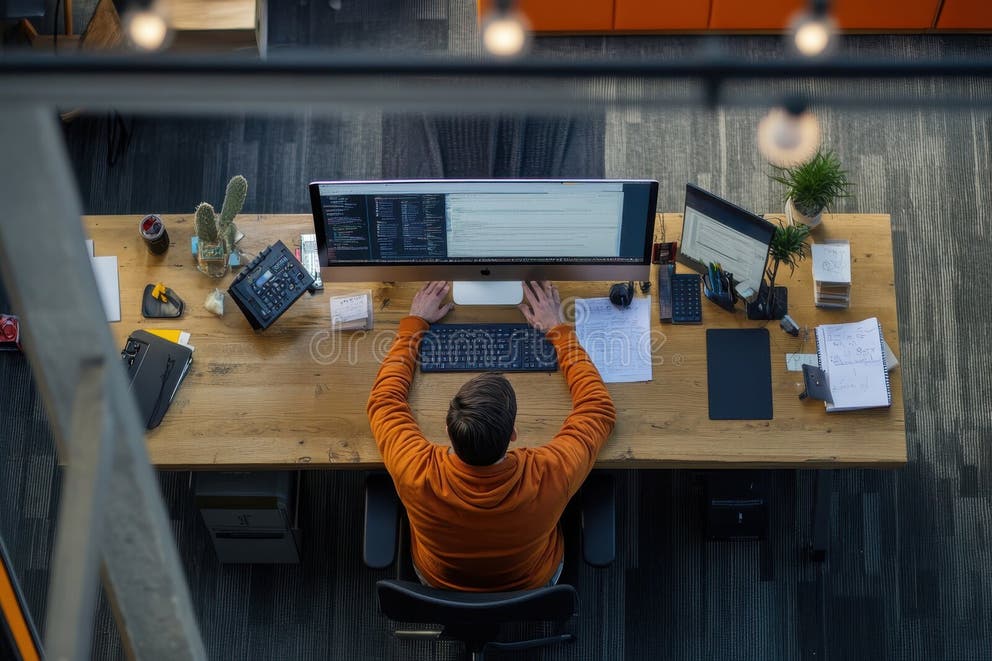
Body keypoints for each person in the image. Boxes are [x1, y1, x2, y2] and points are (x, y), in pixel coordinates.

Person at [367, 280, 616, 592]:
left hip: (437, 583)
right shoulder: (550, 476)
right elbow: (597, 409)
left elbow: (384, 400)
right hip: (531, 586)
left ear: (448, 431)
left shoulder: (414, 470)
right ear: (513, 435)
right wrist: (558, 330)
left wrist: (415, 324)